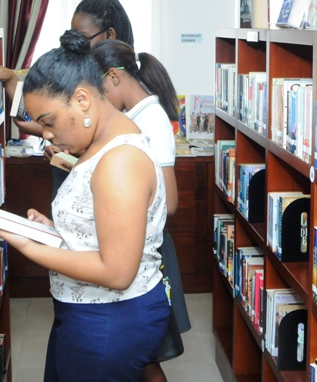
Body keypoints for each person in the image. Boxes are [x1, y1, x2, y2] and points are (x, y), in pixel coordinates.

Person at [0, 30, 170, 381]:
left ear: (83, 100)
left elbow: (117, 272)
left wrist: (30, 246)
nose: (46, 134)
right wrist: (56, 233)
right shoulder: (100, 144)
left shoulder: (120, 162)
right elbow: (99, 227)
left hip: (109, 320)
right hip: (89, 312)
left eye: (48, 121)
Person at [91, 39, 190, 382]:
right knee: (139, 356)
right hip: (134, 243)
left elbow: (171, 201)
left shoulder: (151, 119)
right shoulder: (132, 115)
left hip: (150, 251)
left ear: (115, 77)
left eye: (100, 88)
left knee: (147, 358)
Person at [0, 0, 136, 194]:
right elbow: (26, 121)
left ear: (110, 35)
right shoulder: (80, 76)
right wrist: (12, 82)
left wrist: (77, 157)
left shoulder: (116, 85)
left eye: (83, 38)